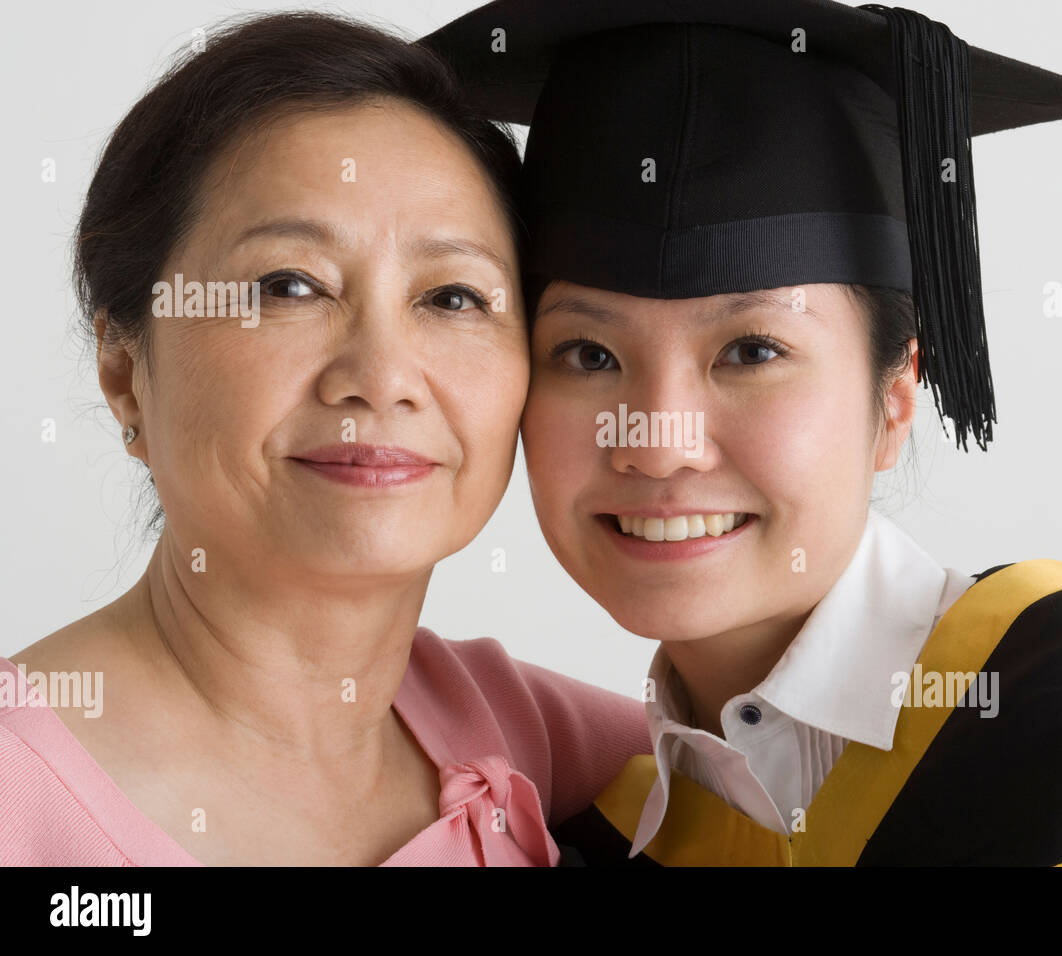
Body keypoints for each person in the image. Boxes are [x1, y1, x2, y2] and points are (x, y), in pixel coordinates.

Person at [422, 0, 1062, 864]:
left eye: (753, 349)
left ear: (895, 401)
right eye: (587, 353)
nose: (658, 440)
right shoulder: (582, 833)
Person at [0, 11, 649, 867]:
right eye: (289, 285)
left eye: (454, 297)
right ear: (125, 372)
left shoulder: (520, 729)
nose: (381, 376)